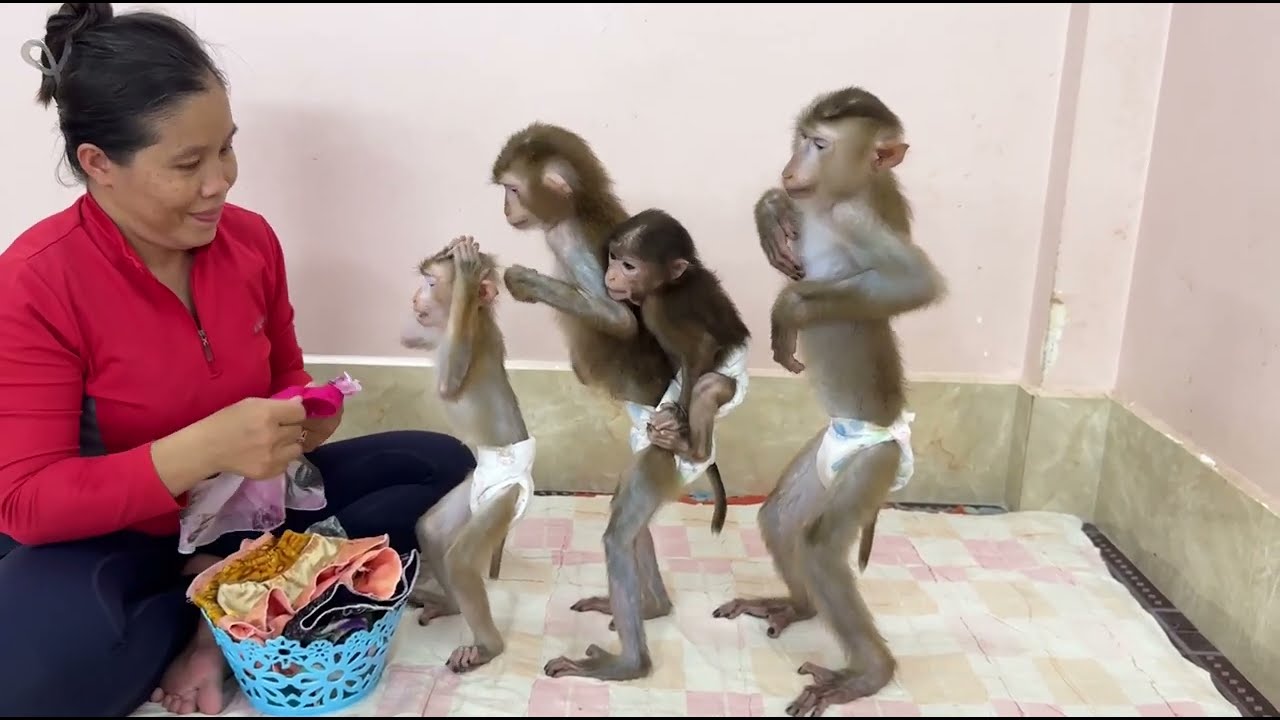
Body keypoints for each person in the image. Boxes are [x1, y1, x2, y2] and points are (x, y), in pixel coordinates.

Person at [0, 3, 476, 716]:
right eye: (187, 164)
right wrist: (197, 451)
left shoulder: (249, 242)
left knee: (441, 469)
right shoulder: (36, 281)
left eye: (226, 147)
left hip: (250, 518)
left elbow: (287, 373)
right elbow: (27, 502)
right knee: (29, 683)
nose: (220, 180)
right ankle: (206, 604)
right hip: (112, 538)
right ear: (98, 164)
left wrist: (309, 413)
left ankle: (222, 603)